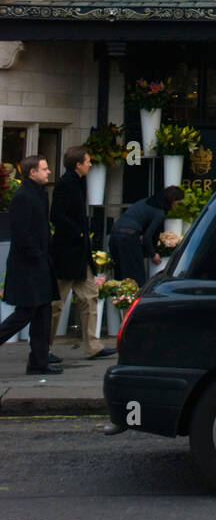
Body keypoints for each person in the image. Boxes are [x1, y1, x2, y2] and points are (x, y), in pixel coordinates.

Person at [49, 145, 115, 360]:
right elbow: (57, 215)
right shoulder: (66, 184)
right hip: (67, 253)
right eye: (87, 161)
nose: (90, 164)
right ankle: (43, 347)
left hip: (79, 254)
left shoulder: (78, 182)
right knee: (56, 303)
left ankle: (93, 345)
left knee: (90, 297)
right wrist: (77, 233)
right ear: (78, 164)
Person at [0, 155, 62, 374]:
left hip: (39, 262)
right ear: (32, 172)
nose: (48, 172)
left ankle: (39, 362)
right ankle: (38, 361)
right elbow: (21, 232)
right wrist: (36, 254)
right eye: (44, 169)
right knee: (25, 313)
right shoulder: (23, 197)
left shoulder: (38, 195)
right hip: (28, 266)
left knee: (42, 314)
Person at [109, 187, 184, 288]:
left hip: (114, 234)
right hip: (129, 238)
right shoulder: (159, 213)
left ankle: (119, 301)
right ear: (172, 200)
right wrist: (153, 254)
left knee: (120, 276)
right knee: (136, 279)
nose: (176, 206)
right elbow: (148, 237)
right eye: (177, 203)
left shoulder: (146, 202)